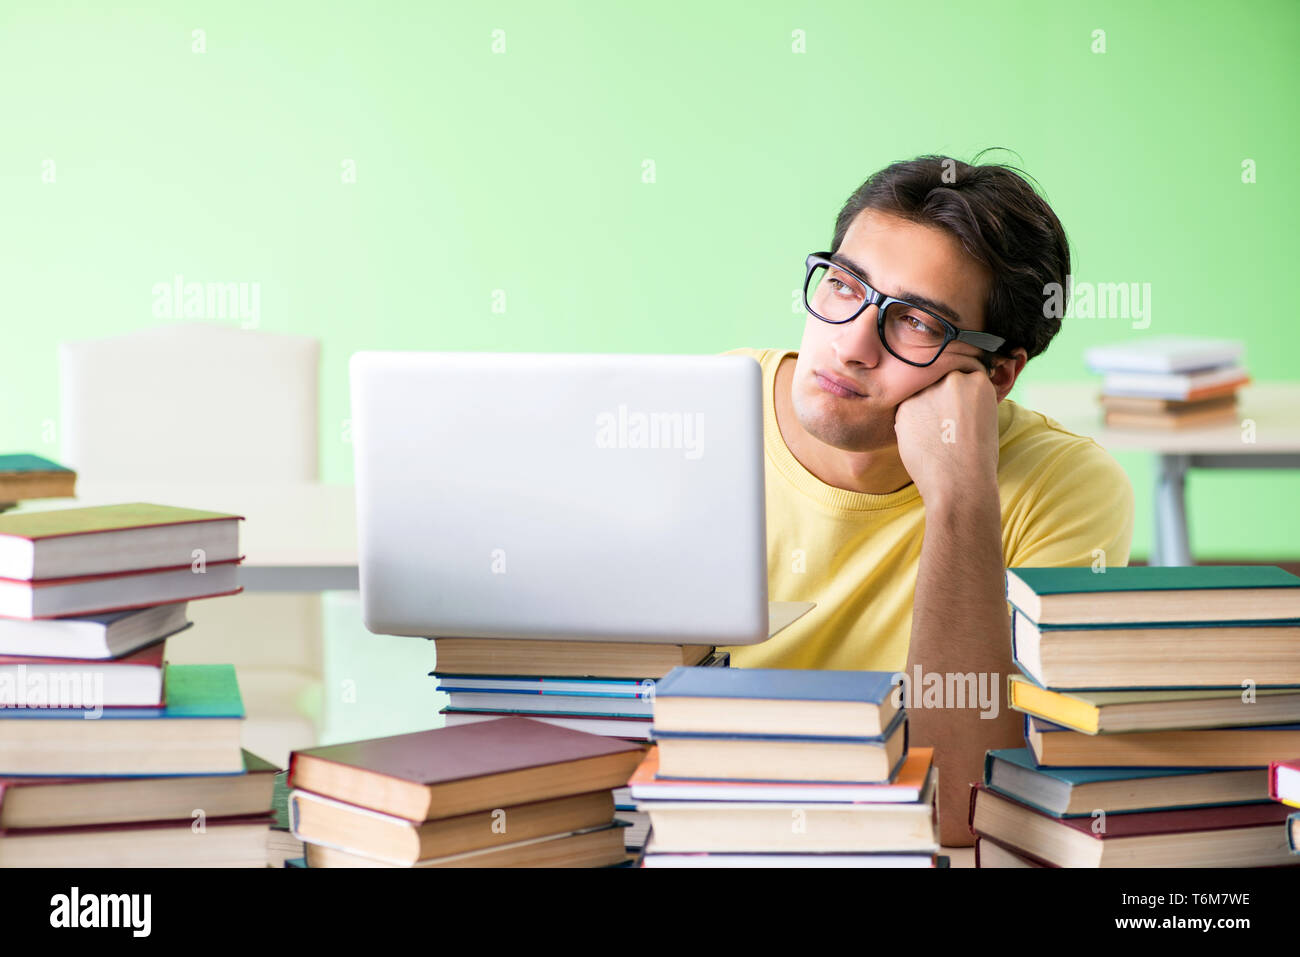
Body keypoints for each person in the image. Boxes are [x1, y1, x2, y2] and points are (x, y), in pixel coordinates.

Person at [718, 153, 1134, 847]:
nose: (851, 344)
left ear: (997, 373)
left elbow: (964, 807)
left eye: (915, 322)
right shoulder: (709, 411)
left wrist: (960, 497)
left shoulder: (1068, 488)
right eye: (846, 285)